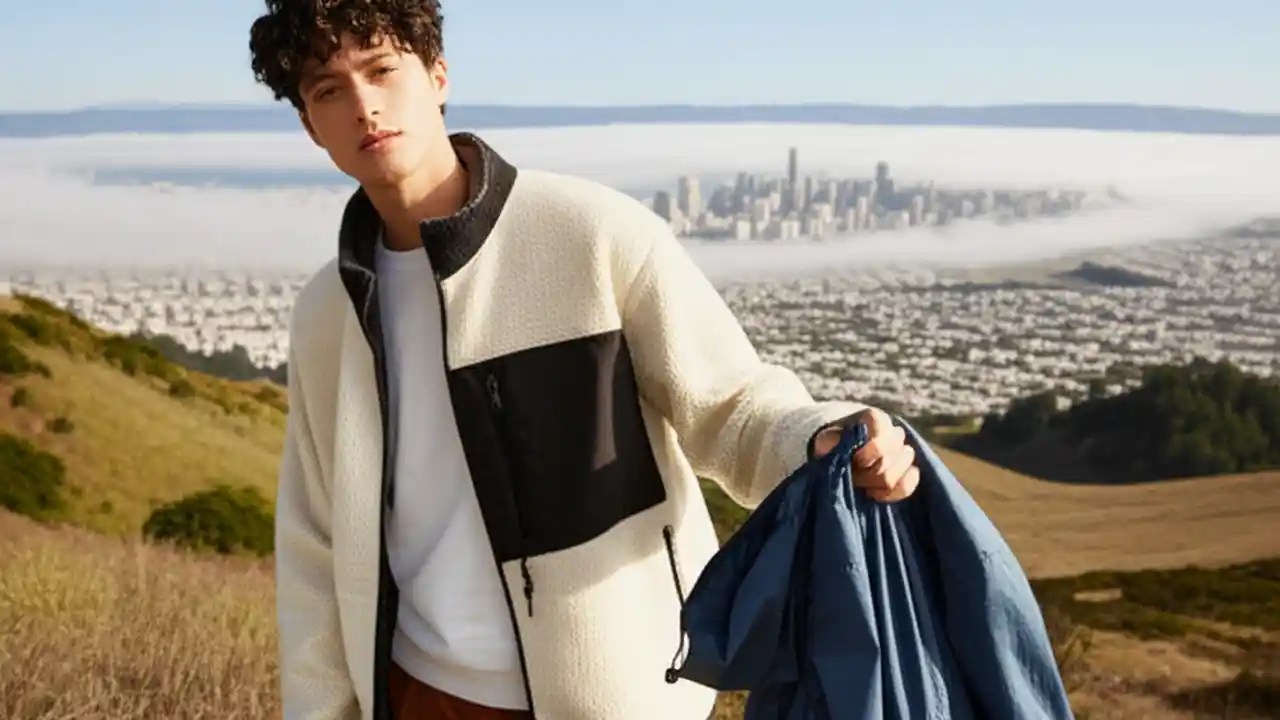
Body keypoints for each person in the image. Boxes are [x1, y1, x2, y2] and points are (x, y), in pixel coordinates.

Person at [249, 2, 921, 718]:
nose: (364, 105)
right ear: (308, 125)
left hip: (617, 694)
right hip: (420, 692)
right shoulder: (329, 310)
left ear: (437, 75)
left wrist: (820, 436)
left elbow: (731, 406)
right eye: (328, 89)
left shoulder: (591, 234)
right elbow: (314, 544)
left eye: (382, 69)